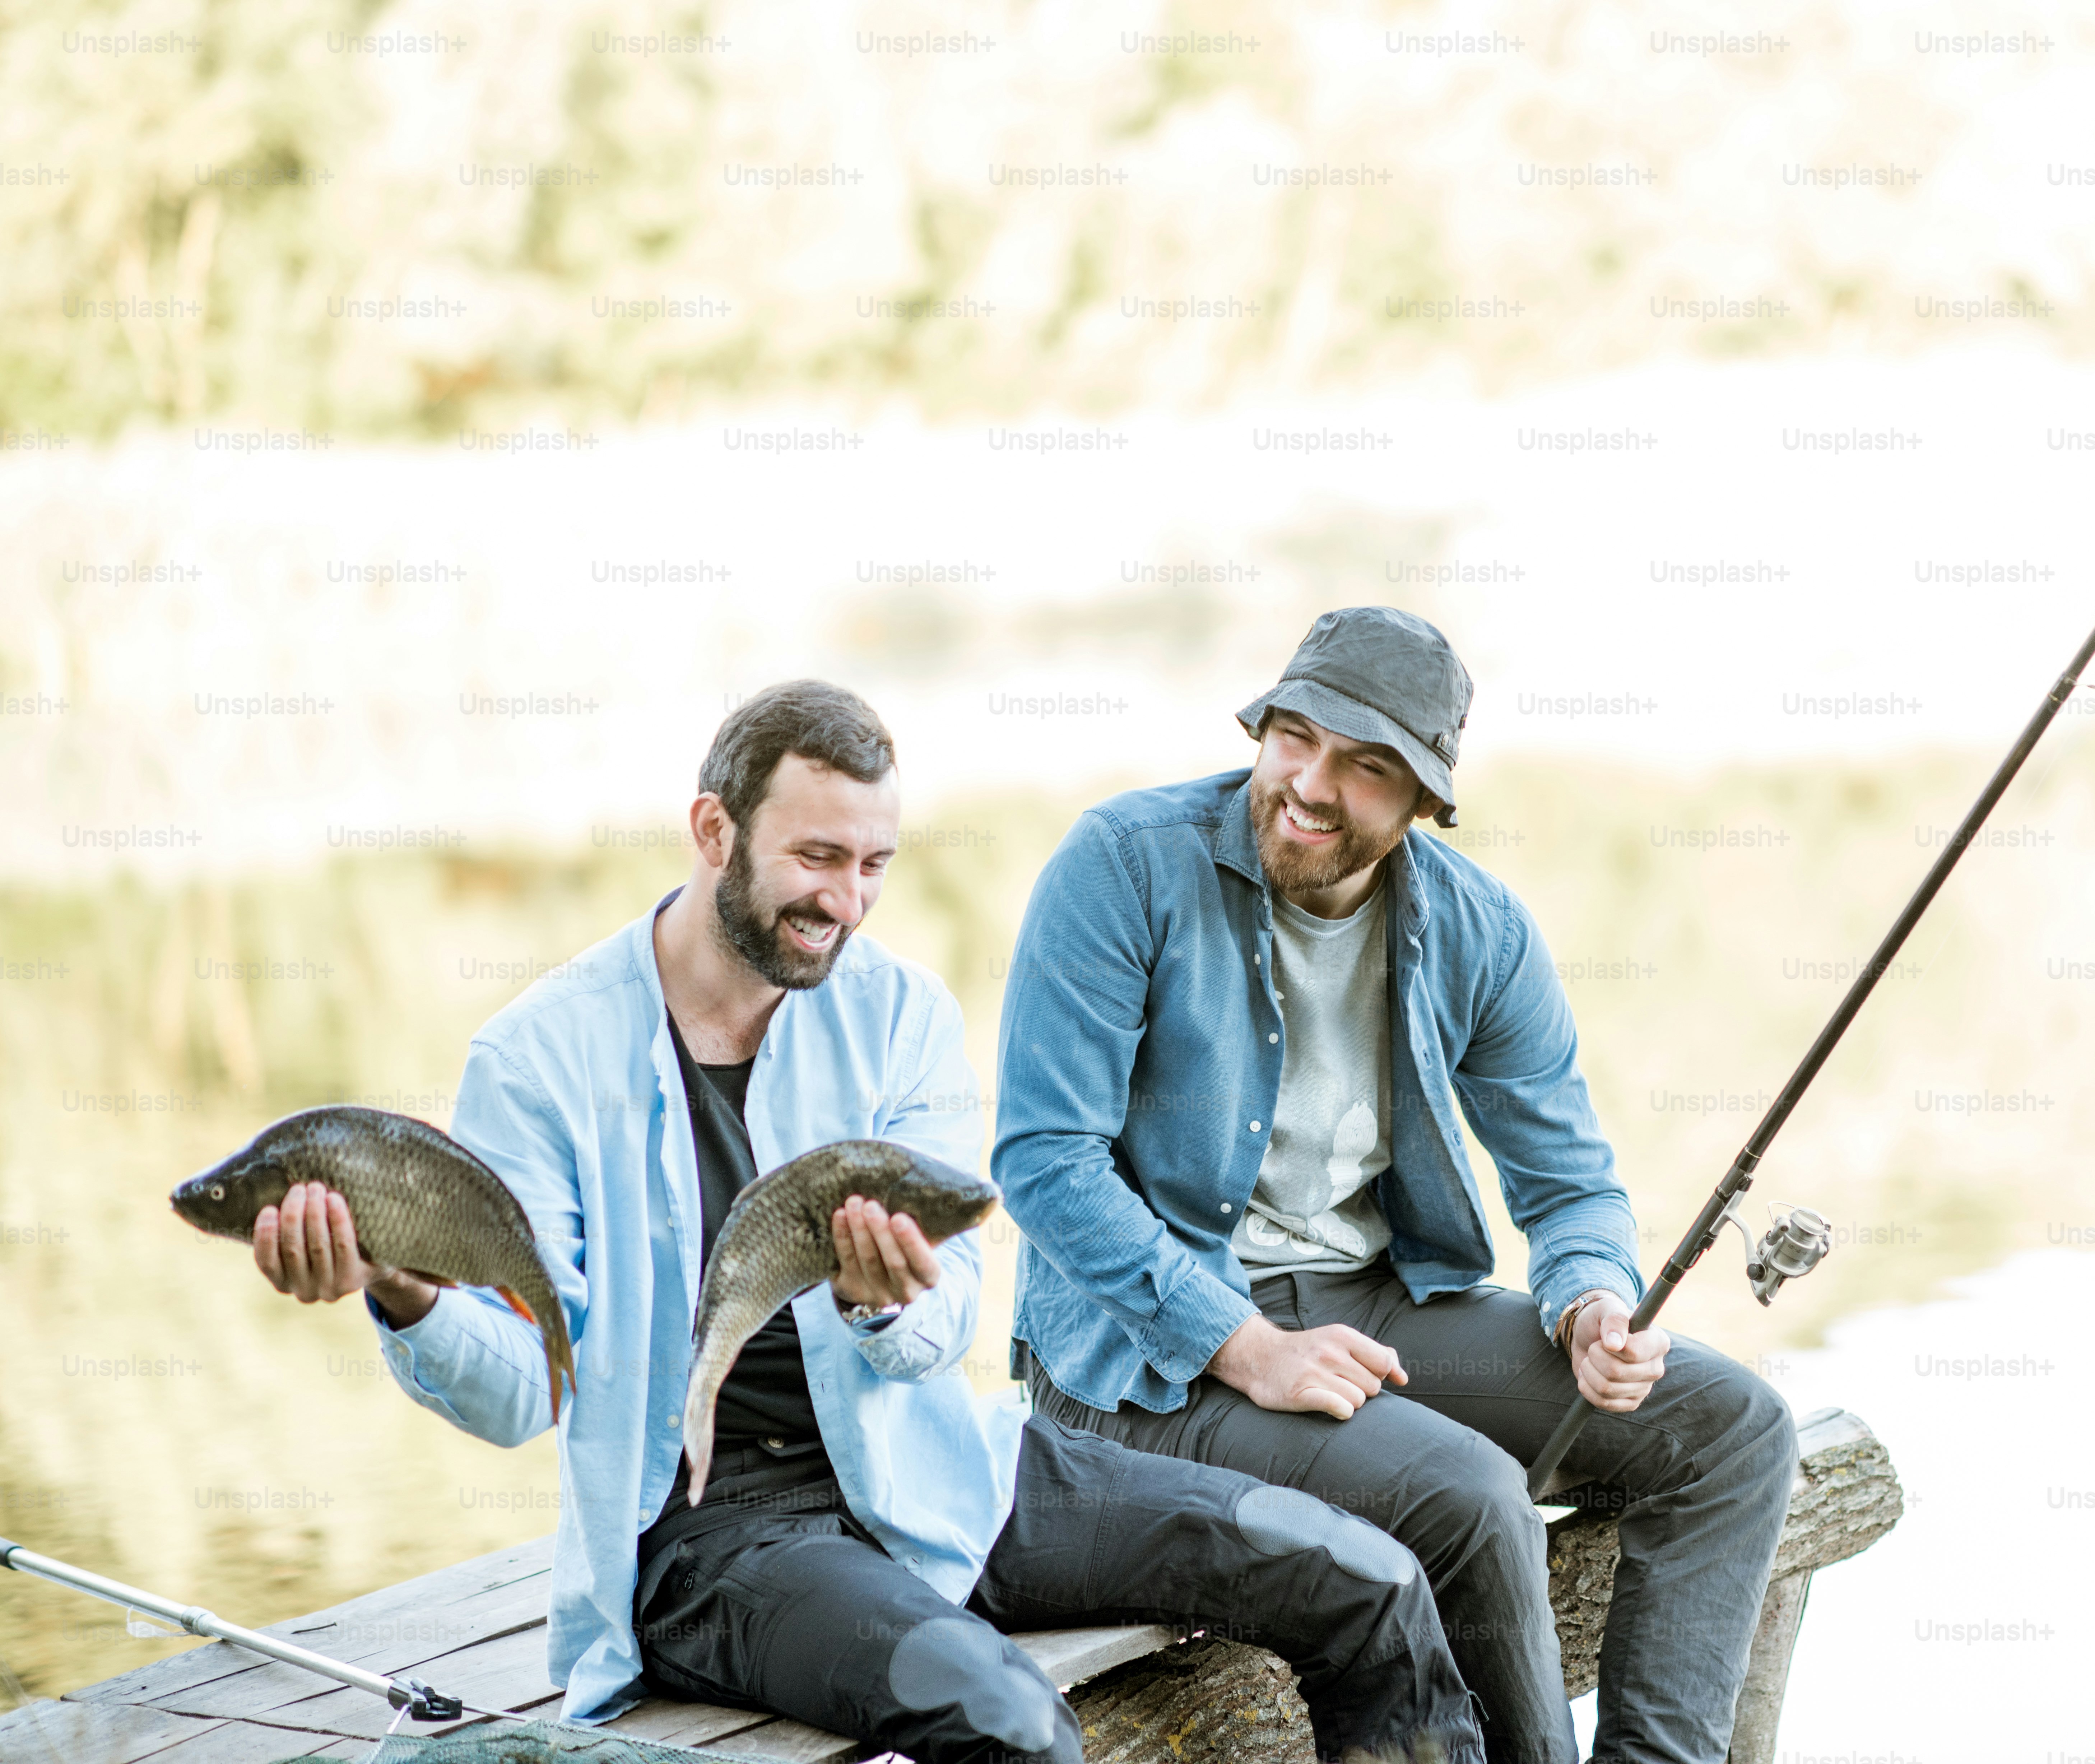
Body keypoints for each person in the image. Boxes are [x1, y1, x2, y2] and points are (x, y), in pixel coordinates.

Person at [246, 680, 1480, 1764]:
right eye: (817, 858)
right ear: (712, 830)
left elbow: (943, 1334)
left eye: (874, 866)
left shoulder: (900, 1014)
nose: (845, 901)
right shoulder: (537, 1059)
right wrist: (406, 1292)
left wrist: (881, 1298)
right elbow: (524, 1394)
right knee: (1009, 1723)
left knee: (1364, 1578)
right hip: (710, 1534)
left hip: (942, 1460)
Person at [995, 608, 1800, 1764]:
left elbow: (1572, 1184)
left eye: (1366, 769)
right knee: (1467, 1495)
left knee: (1733, 1429)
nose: (1312, 787)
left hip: (1368, 1313)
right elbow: (1045, 1163)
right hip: (1140, 1363)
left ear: (1424, 801)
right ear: (1264, 728)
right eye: (1296, 739)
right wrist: (1244, 1344)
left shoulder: (1480, 929)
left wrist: (1590, 1304)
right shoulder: (1123, 865)